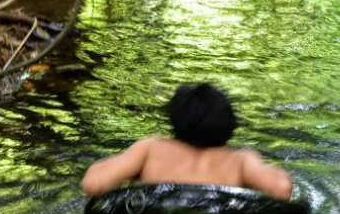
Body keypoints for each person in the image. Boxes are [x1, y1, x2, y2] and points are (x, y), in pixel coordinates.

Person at [80, 82, 293, 200]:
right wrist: (271, 171)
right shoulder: (240, 160)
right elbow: (282, 189)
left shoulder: (151, 148)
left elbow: (92, 184)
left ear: (175, 119)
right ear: (228, 124)